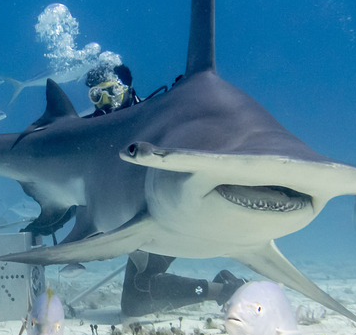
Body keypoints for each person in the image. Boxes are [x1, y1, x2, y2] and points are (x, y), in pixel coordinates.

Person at [84, 64, 246, 317]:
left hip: (169, 216)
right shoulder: (92, 133)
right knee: (136, 301)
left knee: (135, 300)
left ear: (127, 89)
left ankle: (223, 289)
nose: (106, 104)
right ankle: (220, 287)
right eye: (97, 96)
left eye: (112, 93)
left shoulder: (154, 117)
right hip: (136, 223)